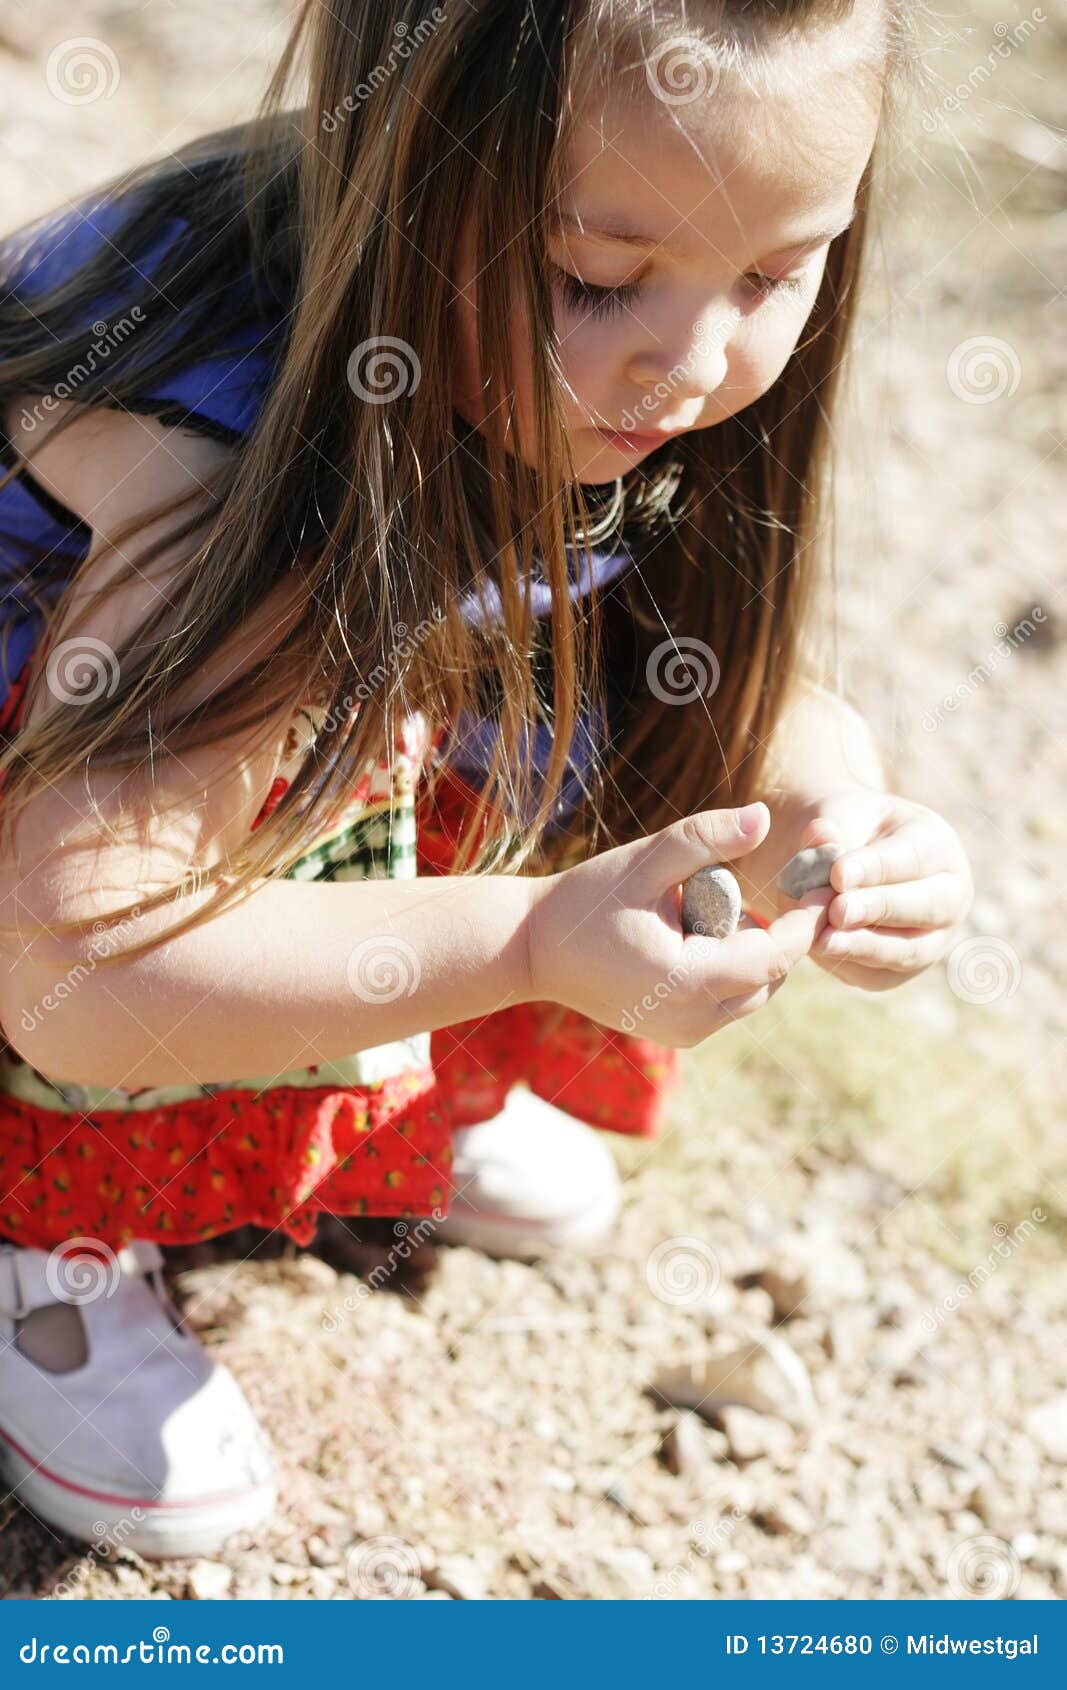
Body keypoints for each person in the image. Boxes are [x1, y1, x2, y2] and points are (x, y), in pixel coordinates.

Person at [0, 0, 973, 1559]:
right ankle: (48, 1238)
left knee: (491, 694)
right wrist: (525, 940)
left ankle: (375, 1091)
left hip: (260, 731)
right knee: (330, 743)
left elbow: (708, 660)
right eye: (596, 280)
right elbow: (69, 964)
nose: (694, 356)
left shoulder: (604, 362)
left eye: (777, 272)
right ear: (415, 169)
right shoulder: (233, 484)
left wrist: (840, 817)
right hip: (79, 830)